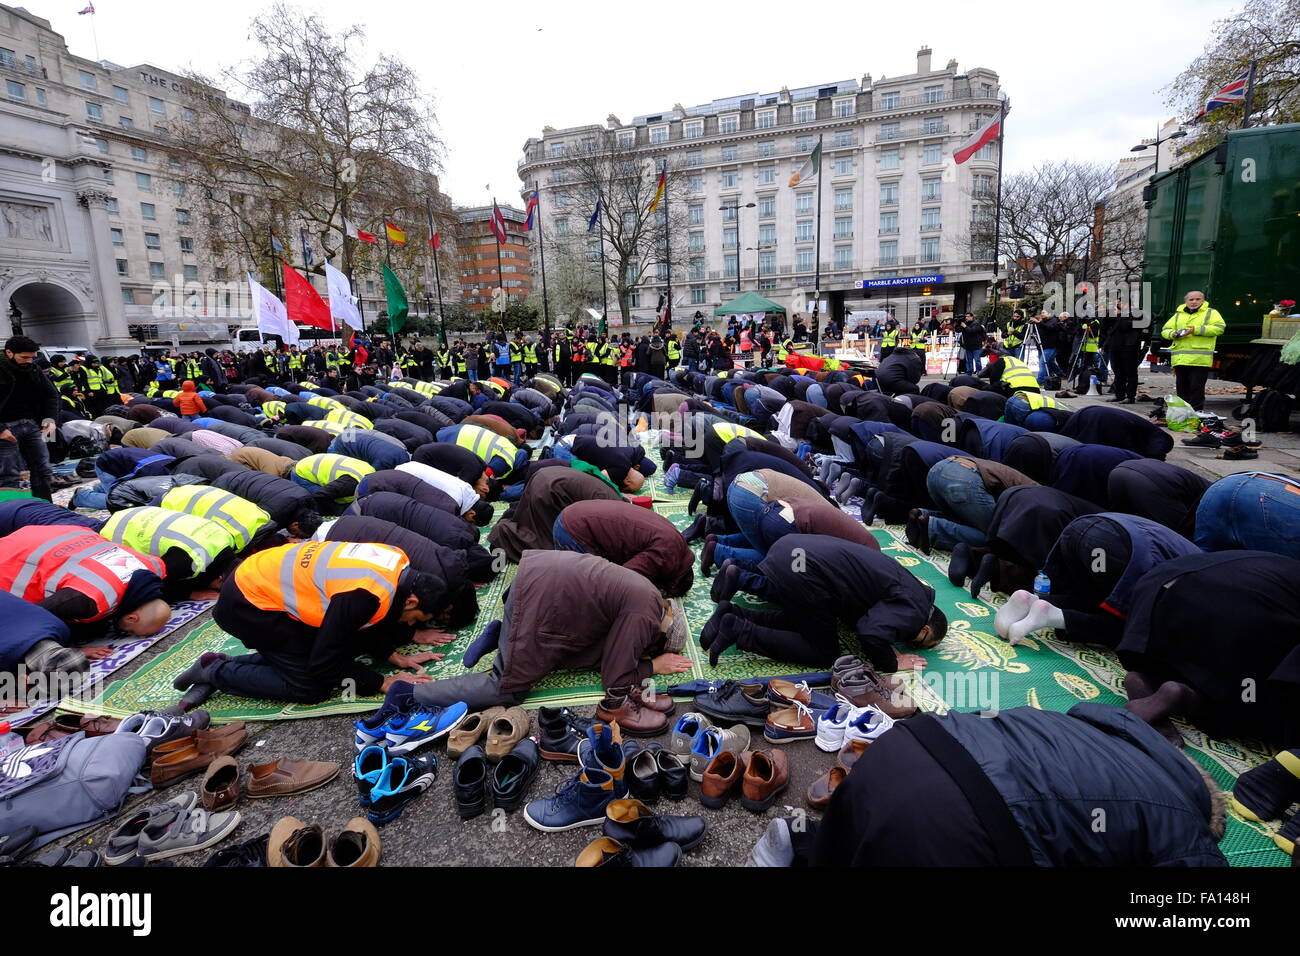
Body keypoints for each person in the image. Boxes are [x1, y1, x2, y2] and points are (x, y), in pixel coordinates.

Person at [768, 703, 1226, 867]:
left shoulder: (1109, 730)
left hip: (903, 746)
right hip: (955, 819)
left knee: (851, 842)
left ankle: (797, 845)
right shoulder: (1186, 830)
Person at [407, 550, 691, 723]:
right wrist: (653, 666)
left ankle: (503, 633)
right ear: (658, 635)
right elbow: (614, 679)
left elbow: (605, 644)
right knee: (507, 689)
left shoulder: (649, 595)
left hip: (534, 579)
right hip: (537, 600)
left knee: (590, 644)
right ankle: (410, 695)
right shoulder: (645, 617)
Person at [177, 540, 452, 706]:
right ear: (412, 602)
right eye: (415, 620)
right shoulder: (365, 595)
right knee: (312, 686)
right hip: (247, 605)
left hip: (261, 576)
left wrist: (391, 655)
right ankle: (215, 670)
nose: (408, 625)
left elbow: (357, 624)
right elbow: (325, 662)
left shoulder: (397, 562)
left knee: (341, 652)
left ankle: (229, 662)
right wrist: (381, 682)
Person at [705, 534, 945, 673]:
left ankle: (735, 613)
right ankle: (740, 631)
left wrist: (885, 633)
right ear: (925, 628)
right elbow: (869, 632)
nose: (913, 643)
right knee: (825, 653)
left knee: (811, 621)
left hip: (791, 549)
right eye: (921, 642)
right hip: (804, 570)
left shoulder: (916, 590)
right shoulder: (916, 611)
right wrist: (891, 662)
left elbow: (864, 616)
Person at [0, 525, 173, 653]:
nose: (126, 633)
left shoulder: (153, 567)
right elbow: (31, 619)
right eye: (130, 632)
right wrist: (75, 650)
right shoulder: (88, 600)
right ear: (131, 617)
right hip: (9, 559)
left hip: (52, 534)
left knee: (93, 628)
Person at [552, 499, 694, 597]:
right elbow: (622, 576)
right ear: (673, 583)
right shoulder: (666, 554)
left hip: (576, 514)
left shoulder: (676, 540)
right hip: (573, 531)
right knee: (587, 592)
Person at [0, 335, 60, 501]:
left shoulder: (34, 369)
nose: (28, 361)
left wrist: (50, 420)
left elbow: (51, 395)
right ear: (9, 353)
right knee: (9, 474)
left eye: (32, 357)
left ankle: (44, 507)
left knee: (43, 469)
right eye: (24, 357)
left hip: (31, 424)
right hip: (5, 428)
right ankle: (11, 512)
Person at [1161, 290, 1225, 411]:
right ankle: (1182, 415)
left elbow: (1219, 328)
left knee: (1196, 390)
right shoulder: (1179, 314)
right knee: (1182, 390)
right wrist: (1173, 334)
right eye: (1191, 299)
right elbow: (1165, 330)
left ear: (1203, 300)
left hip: (1199, 360)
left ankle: (1195, 415)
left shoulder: (1211, 313)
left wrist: (1196, 330)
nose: (1194, 302)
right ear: (1186, 301)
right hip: (1180, 359)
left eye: (1197, 299)